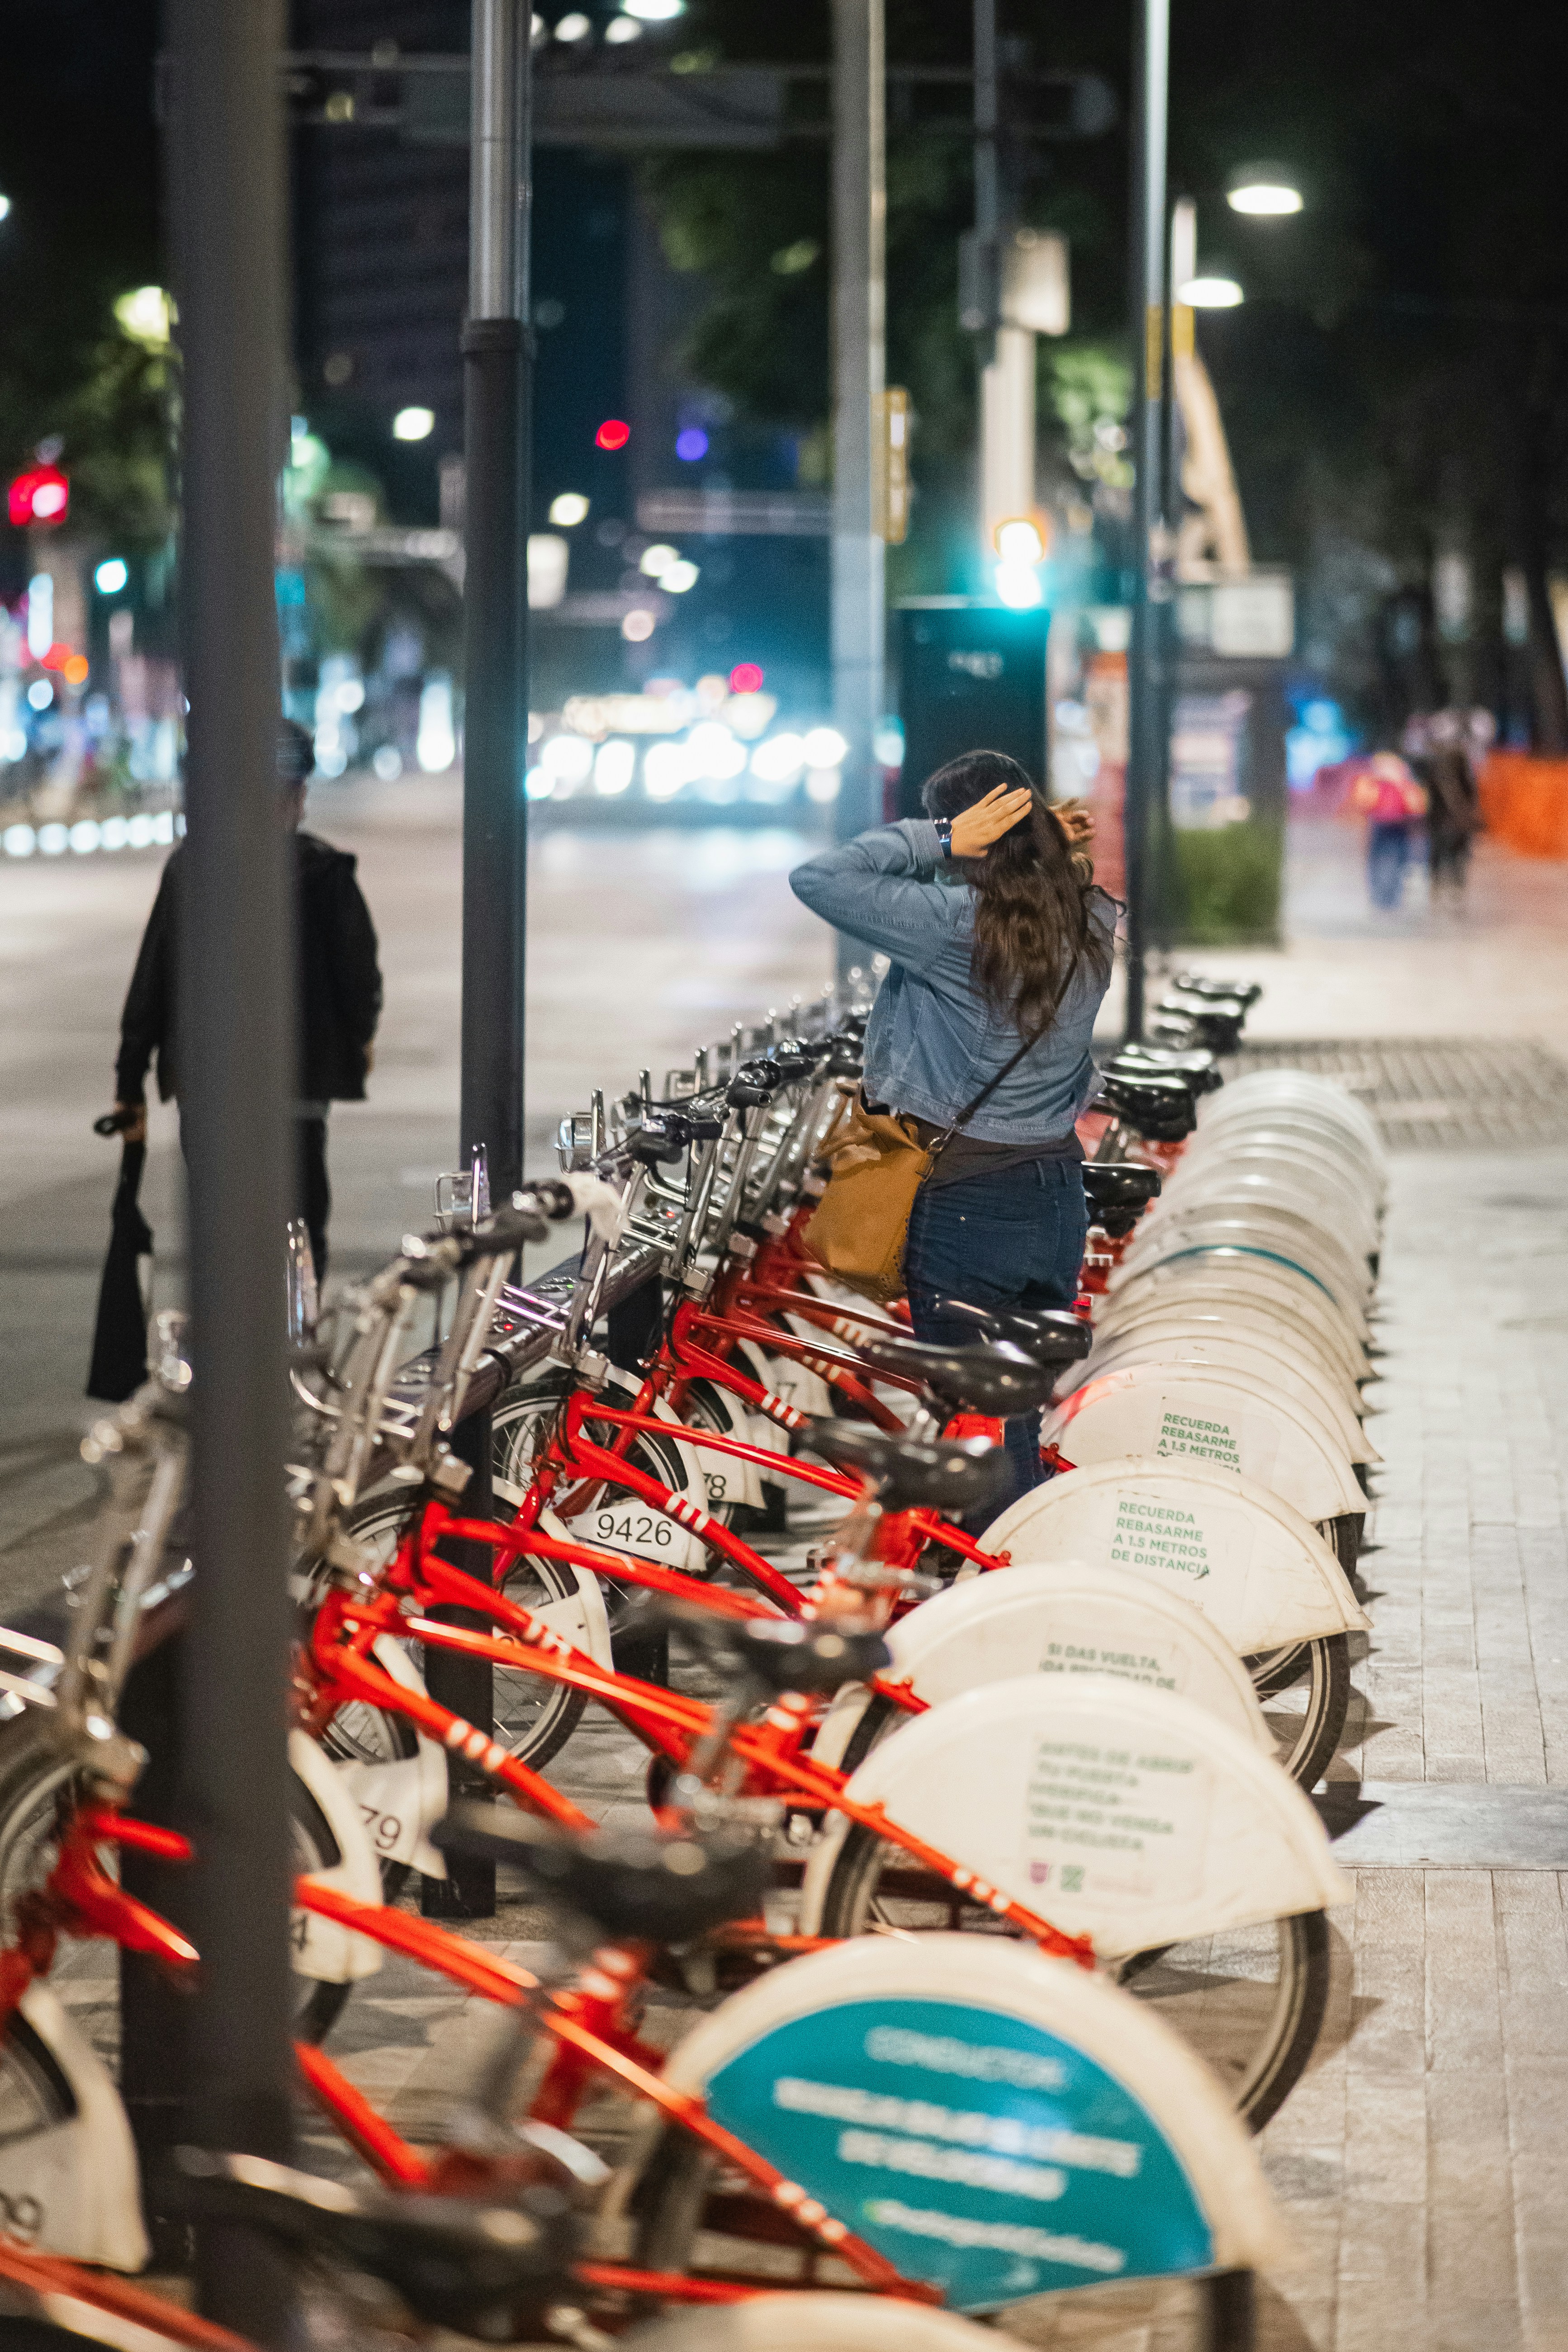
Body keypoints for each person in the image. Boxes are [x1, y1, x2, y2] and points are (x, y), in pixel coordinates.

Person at [790, 751, 1115, 1516]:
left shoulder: (946, 925)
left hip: (968, 1201)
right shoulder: (1090, 914)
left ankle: (997, 1588)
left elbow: (821, 878)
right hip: (1055, 1196)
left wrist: (936, 838)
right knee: (1014, 1419)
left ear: (972, 831)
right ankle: (1019, 1559)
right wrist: (1041, 841)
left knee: (972, 1439)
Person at [108, 718, 382, 1279]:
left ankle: (227, 1352)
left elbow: (153, 980)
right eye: (298, 792)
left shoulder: (192, 867)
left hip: (208, 1094)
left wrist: (128, 1083)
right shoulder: (327, 874)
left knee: (220, 1233)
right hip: (296, 1092)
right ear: (292, 796)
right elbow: (361, 981)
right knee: (300, 1231)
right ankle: (291, 1347)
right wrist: (358, 1041)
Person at [1348, 749, 1428, 911]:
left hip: (1400, 827)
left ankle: (1393, 898)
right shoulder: (1372, 783)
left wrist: (1400, 784)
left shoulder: (1406, 784)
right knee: (1378, 862)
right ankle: (1379, 897)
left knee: (1398, 861)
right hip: (1379, 826)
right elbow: (1362, 803)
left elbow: (1418, 808)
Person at [1422, 707, 1480, 902]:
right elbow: (1470, 788)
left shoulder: (1433, 757)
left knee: (1438, 854)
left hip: (1439, 816)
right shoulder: (1459, 757)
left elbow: (1426, 788)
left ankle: (1438, 891)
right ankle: (1453, 893)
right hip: (1454, 817)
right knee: (1455, 856)